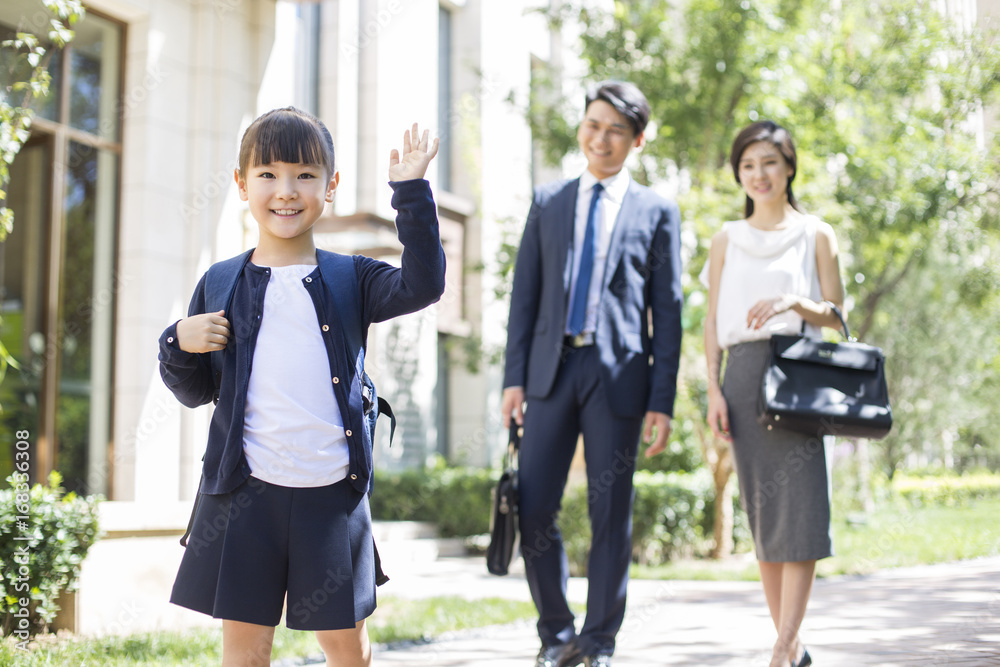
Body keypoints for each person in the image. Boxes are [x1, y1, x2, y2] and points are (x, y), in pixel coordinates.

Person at [158, 107, 444, 667]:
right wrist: (176, 342)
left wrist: (410, 192)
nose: (286, 191)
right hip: (244, 495)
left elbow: (424, 284)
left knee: (345, 645)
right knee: (244, 650)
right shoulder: (220, 282)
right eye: (267, 174)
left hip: (331, 494)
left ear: (330, 186)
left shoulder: (351, 277)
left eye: (305, 175)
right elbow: (195, 393)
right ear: (241, 184)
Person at [502, 80, 684, 667]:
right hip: (550, 374)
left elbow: (669, 311)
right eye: (593, 125)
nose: (600, 139)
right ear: (582, 127)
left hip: (620, 378)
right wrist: (513, 381)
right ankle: (555, 632)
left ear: (637, 139)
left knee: (611, 512)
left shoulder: (657, 211)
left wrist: (663, 400)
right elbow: (523, 299)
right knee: (533, 506)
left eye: (615, 130)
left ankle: (600, 640)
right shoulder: (548, 201)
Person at [703, 120, 845, 667]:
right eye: (747, 165)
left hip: (800, 374)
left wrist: (794, 302)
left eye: (768, 163)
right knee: (763, 514)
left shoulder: (816, 233)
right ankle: (792, 646)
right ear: (739, 173)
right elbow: (713, 321)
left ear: (789, 167)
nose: (758, 174)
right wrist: (714, 388)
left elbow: (837, 316)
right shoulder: (725, 239)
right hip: (741, 375)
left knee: (803, 509)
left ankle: (783, 647)